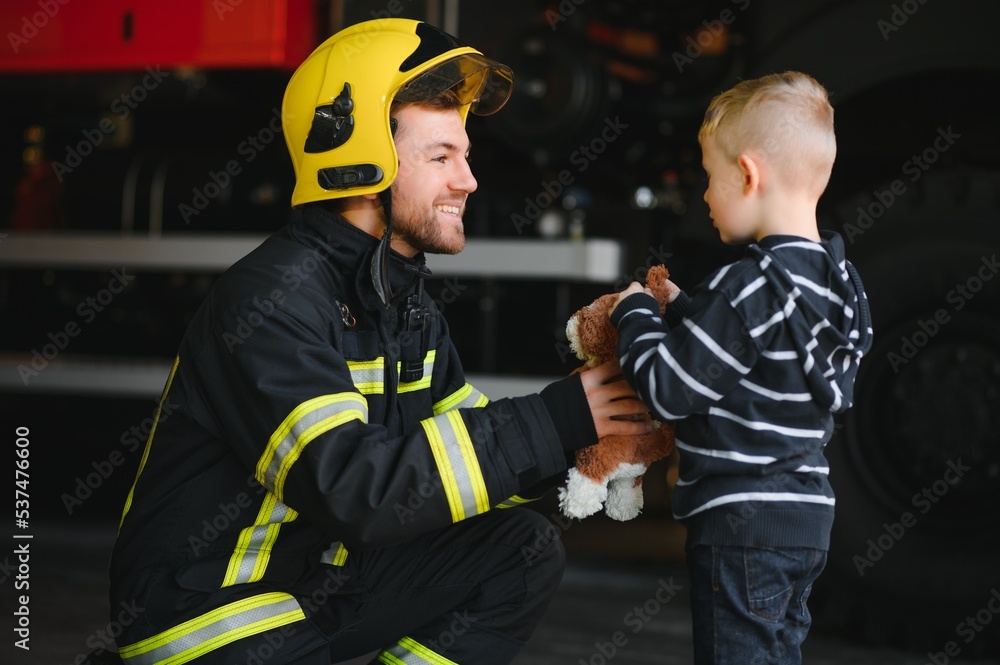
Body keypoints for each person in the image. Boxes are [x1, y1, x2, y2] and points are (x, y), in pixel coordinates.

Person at [103, 18, 652, 665]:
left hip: (314, 582)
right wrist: (558, 415)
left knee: (519, 552)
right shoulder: (270, 300)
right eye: (441, 158)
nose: (468, 180)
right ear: (359, 163)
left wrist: (597, 432)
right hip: (210, 612)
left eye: (464, 156)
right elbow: (353, 489)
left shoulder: (402, 303)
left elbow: (464, 460)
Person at [608, 71, 873, 665]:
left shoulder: (748, 283)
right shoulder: (840, 284)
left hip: (740, 528)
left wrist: (634, 314)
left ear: (748, 175)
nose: (704, 196)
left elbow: (669, 388)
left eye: (709, 176)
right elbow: (765, 360)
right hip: (806, 522)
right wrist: (689, 312)